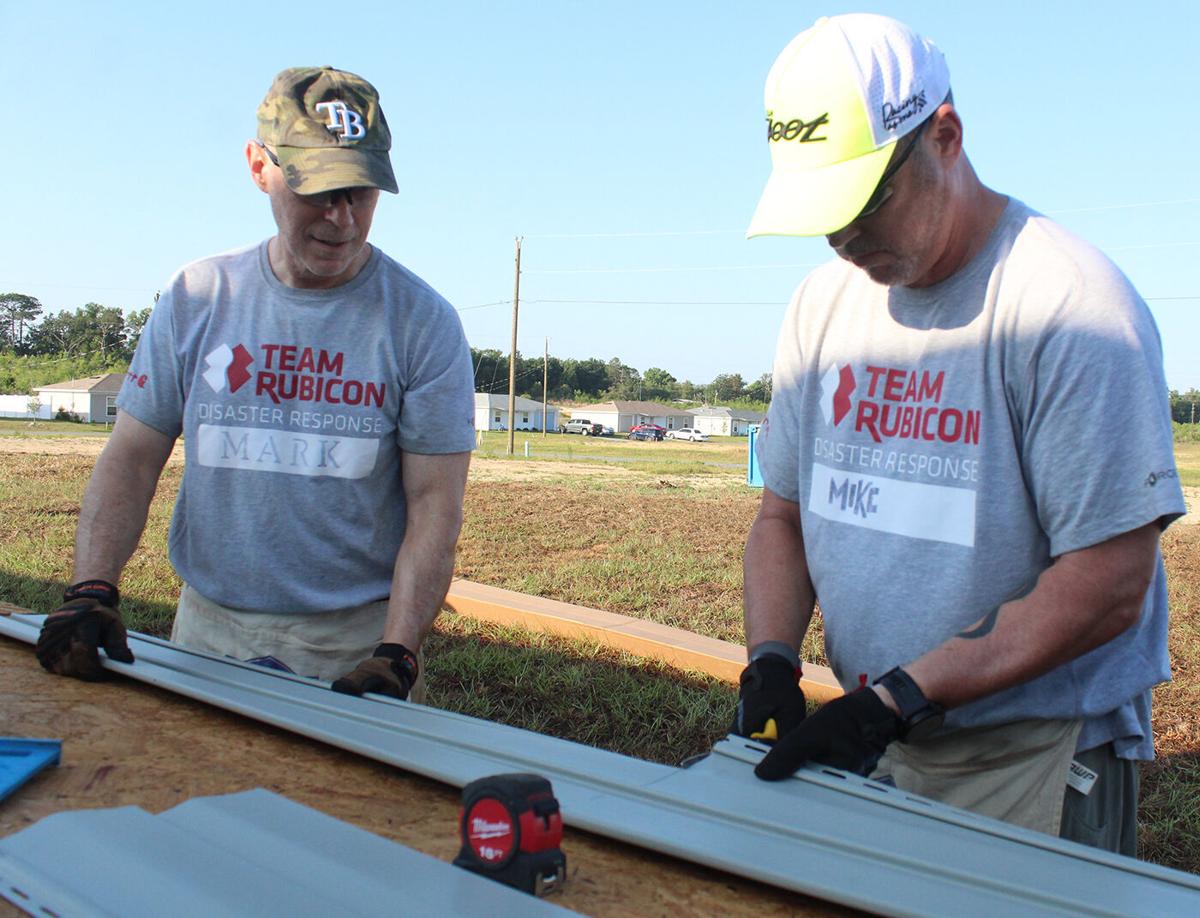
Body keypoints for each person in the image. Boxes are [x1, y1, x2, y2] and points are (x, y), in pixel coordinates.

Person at [732, 14, 1185, 856]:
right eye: (822, 214)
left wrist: (903, 695)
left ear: (945, 136)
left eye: (865, 203)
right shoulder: (822, 307)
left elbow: (1110, 580)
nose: (843, 238)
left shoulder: (1069, 308)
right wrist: (772, 658)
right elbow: (782, 519)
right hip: (878, 739)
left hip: (1029, 760)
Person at [34, 66, 476, 704]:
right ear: (258, 166)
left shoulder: (421, 322)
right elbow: (131, 456)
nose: (342, 219)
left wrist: (398, 652)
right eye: (317, 190)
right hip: (207, 631)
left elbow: (436, 506)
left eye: (361, 192)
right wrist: (91, 590)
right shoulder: (198, 296)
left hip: (353, 645)